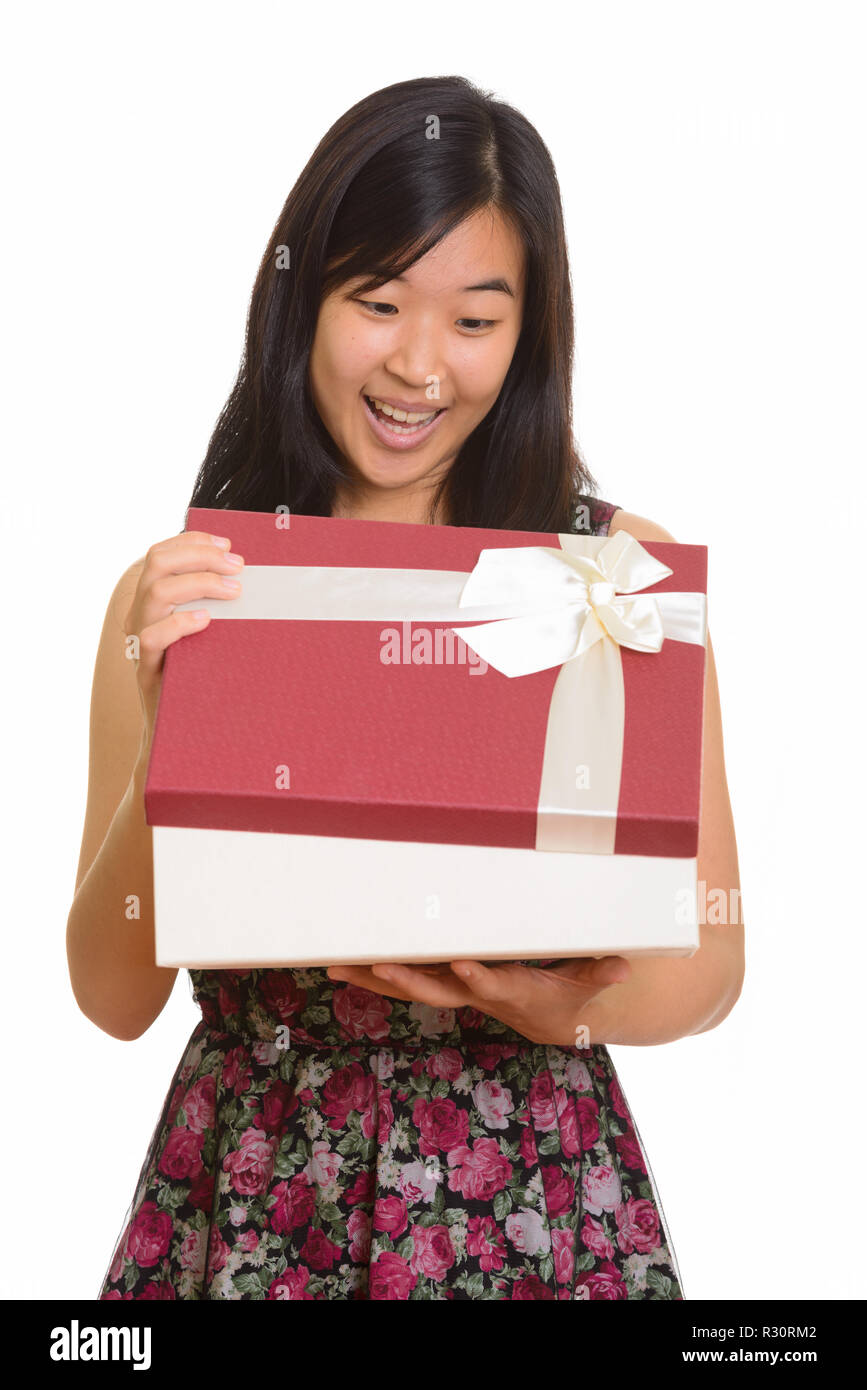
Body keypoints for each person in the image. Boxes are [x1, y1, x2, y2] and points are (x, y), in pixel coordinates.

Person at [67, 75, 743, 1301]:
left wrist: (551, 1007)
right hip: (263, 1187)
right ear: (303, 304)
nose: (421, 365)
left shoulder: (611, 576)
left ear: (530, 332)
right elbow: (112, 995)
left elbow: (710, 962)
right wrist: (170, 742)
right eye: (377, 303)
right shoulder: (190, 587)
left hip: (527, 1181)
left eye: (476, 322)